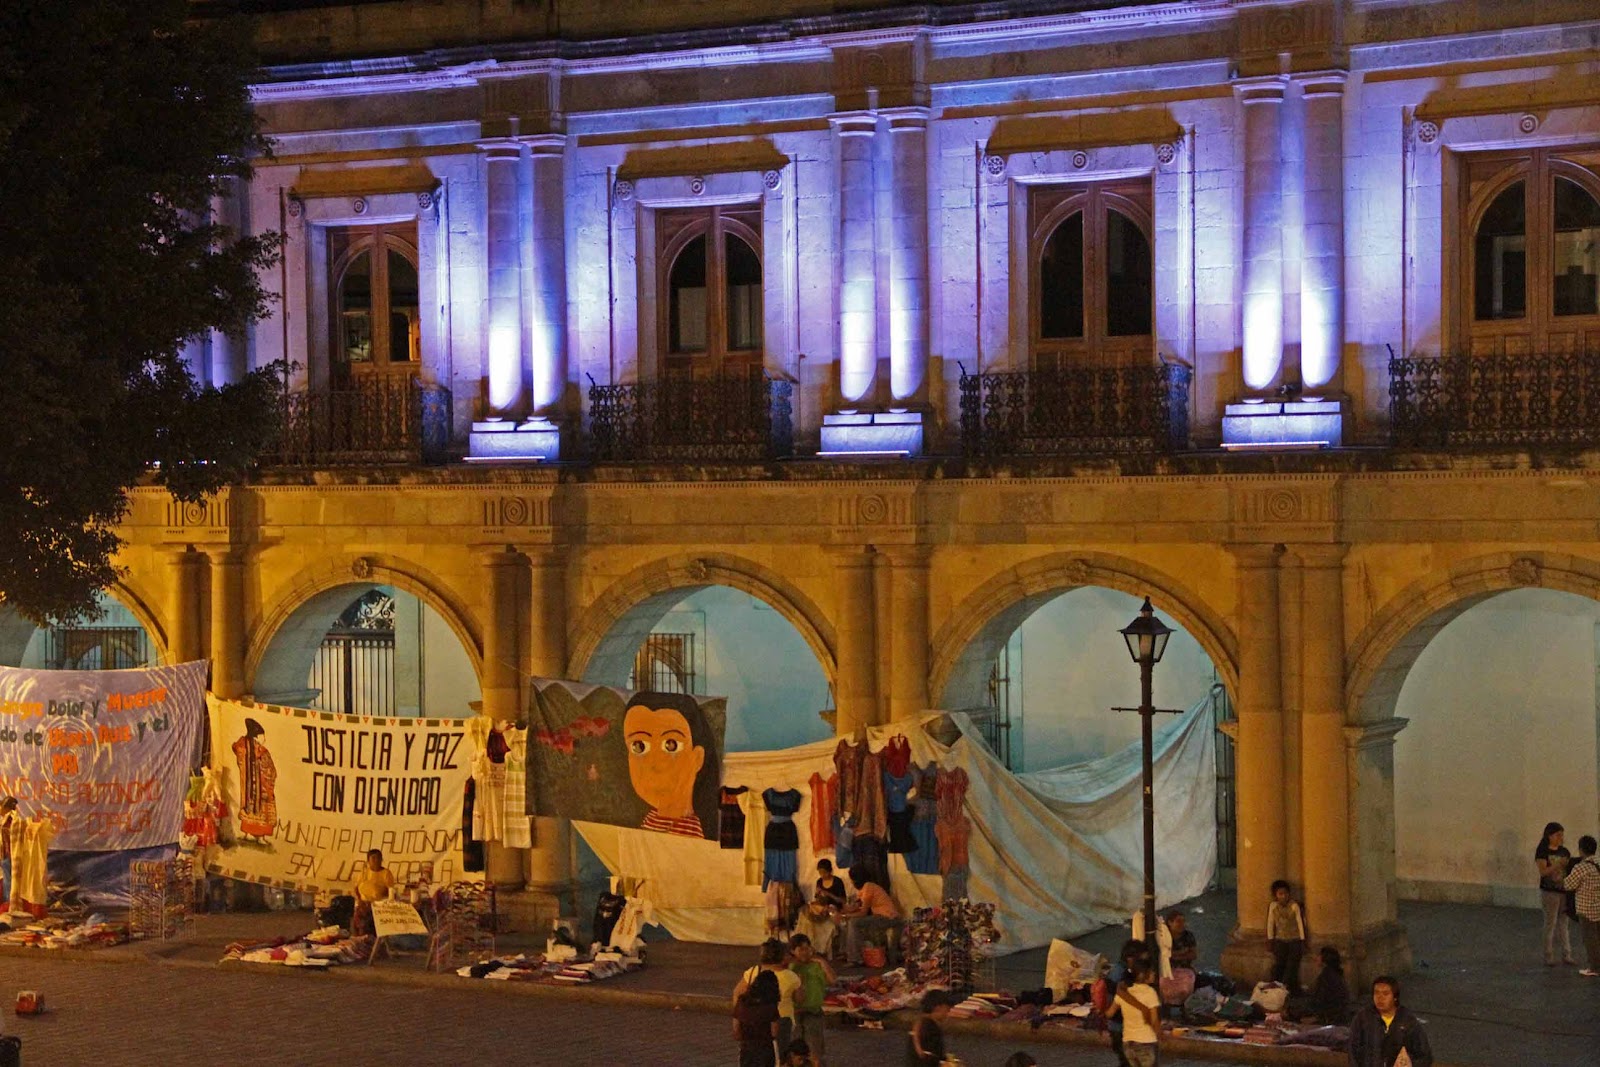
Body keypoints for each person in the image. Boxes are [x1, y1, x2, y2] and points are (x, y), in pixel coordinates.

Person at [621, 690, 719, 839]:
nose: (654, 763)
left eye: (671, 745)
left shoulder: (691, 831)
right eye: (638, 746)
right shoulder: (651, 819)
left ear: (698, 758)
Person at [734, 938, 802, 1058]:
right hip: (781, 1019)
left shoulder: (753, 971)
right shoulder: (791, 976)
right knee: (778, 1054)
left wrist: (741, 1014)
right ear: (782, 957)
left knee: (752, 1054)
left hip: (753, 1020)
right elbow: (800, 999)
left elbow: (737, 993)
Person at [1348, 975, 1432, 1067]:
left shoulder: (1407, 1020)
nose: (1380, 998)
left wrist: (1410, 1063)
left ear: (1395, 997)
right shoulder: (1363, 1018)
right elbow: (1353, 1050)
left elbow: (1425, 1055)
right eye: (1376, 993)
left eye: (1385, 994)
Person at [839, 865, 900, 966]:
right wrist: (843, 912)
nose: (851, 882)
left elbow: (863, 912)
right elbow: (857, 906)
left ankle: (855, 959)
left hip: (888, 917)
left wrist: (846, 915)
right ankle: (847, 953)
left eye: (851, 879)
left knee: (854, 922)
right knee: (848, 922)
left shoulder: (868, 887)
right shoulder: (863, 889)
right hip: (880, 916)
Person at [789, 933, 835, 1064]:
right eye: (801, 949)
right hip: (795, 1013)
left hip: (813, 1011)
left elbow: (832, 980)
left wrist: (822, 962)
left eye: (807, 948)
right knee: (795, 1052)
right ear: (792, 951)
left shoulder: (817, 966)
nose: (805, 952)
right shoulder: (791, 968)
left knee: (814, 1050)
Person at [1105, 938, 1152, 1067]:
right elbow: (1121, 995)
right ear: (1131, 959)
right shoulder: (1120, 974)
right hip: (1121, 1028)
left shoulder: (1123, 971)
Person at [1105, 960, 1162, 1067]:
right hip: (1146, 1040)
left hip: (1128, 1042)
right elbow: (1154, 1020)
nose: (1154, 974)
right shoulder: (1150, 992)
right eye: (1152, 972)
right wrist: (1160, 1035)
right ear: (1143, 975)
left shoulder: (1124, 992)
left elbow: (1109, 1013)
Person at [1535, 821, 1576, 965]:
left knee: (1564, 923)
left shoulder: (1564, 851)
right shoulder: (1542, 852)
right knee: (1550, 923)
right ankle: (1548, 954)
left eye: (1562, 835)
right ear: (1550, 835)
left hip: (1564, 890)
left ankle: (1567, 954)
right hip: (1550, 891)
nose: (1561, 838)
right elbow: (1543, 872)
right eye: (1558, 835)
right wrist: (1557, 865)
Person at [232, 718, 278, 841]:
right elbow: (270, 770)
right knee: (262, 807)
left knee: (250, 805)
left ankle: (250, 834)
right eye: (262, 736)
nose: (264, 739)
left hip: (248, 788)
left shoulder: (242, 746)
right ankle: (259, 836)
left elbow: (236, 749)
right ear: (256, 736)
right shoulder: (261, 751)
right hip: (261, 787)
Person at [1561, 833, 1600, 976]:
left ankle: (1595, 967)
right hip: (1598, 906)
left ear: (1581, 849)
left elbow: (1568, 884)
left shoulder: (1581, 867)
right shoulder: (1599, 862)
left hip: (1586, 908)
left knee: (1590, 940)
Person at [1267, 878, 1308, 995]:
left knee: (1292, 965)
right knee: (1280, 963)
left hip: (1294, 939)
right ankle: (1278, 987)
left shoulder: (1294, 906)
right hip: (1280, 939)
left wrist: (1302, 940)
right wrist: (1270, 939)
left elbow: (1300, 923)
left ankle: (1288, 987)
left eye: (1286, 893)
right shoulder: (1273, 906)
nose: (1283, 896)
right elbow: (1270, 923)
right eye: (1280, 894)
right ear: (1275, 895)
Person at [734, 968, 782, 1067]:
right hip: (765, 1048)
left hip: (746, 1047)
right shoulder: (770, 1006)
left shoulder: (742, 1001)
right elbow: (774, 1032)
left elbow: (736, 1029)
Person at [351, 848, 396, 935]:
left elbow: (390, 892)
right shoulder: (364, 872)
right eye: (373, 858)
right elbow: (356, 889)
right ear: (368, 861)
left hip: (377, 906)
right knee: (360, 926)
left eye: (379, 858)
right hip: (362, 904)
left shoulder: (386, 873)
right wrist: (359, 900)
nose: (376, 860)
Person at [1305, 945, 1351, 1024]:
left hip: (1330, 1015)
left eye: (1319, 955)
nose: (1316, 958)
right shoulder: (1333, 973)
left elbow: (1320, 1000)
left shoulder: (1327, 976)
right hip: (1334, 1012)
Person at [905, 989, 951, 1066]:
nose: (947, 1013)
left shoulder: (919, 1024)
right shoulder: (931, 1028)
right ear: (938, 1008)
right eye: (947, 1010)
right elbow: (931, 1056)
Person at [0, 797, 17, 906]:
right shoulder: (6, 820)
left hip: (8, 855)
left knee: (8, 879)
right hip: (5, 854)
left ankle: (8, 902)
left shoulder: (10, 820)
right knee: (6, 878)